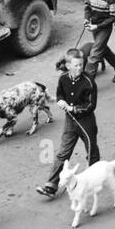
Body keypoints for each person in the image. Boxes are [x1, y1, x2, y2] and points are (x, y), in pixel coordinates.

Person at [38, 50, 102, 197]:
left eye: (81, 65)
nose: (79, 68)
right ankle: (51, 186)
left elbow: (91, 105)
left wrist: (73, 108)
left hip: (86, 122)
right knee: (63, 153)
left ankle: (94, 181)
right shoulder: (63, 79)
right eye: (76, 65)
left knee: (91, 151)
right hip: (70, 122)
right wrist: (60, 100)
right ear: (67, 66)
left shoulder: (89, 82)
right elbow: (60, 93)